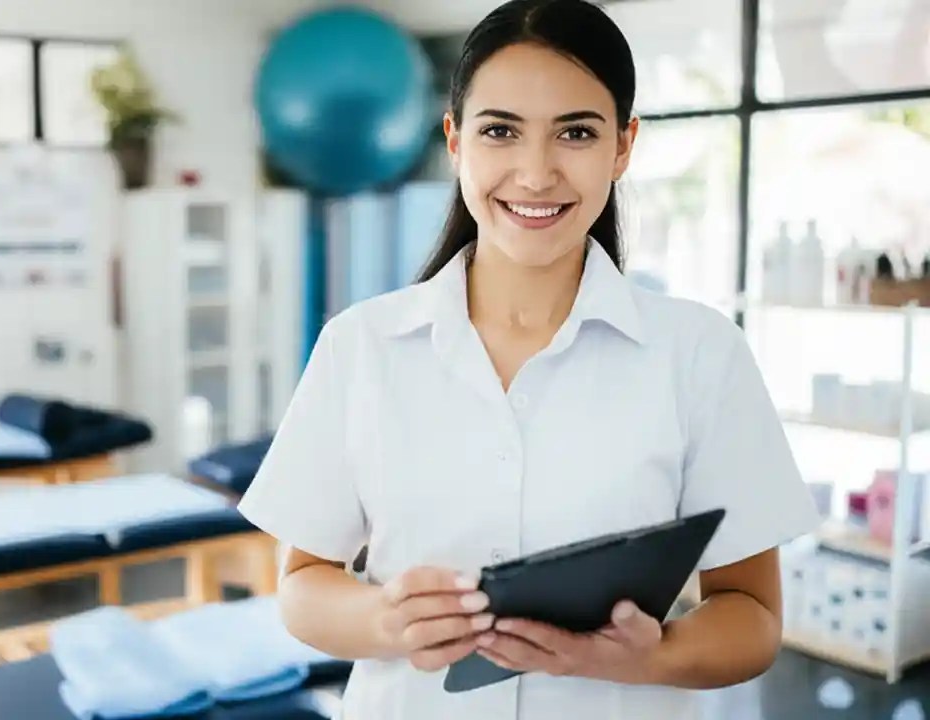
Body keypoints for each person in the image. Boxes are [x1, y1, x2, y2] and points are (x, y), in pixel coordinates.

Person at [236, 1, 822, 718]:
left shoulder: (701, 354)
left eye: (576, 132)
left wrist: (653, 656)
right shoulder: (360, 346)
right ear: (455, 142)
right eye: (500, 131)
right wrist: (384, 619)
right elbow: (302, 586)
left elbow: (752, 616)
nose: (536, 173)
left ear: (623, 146)